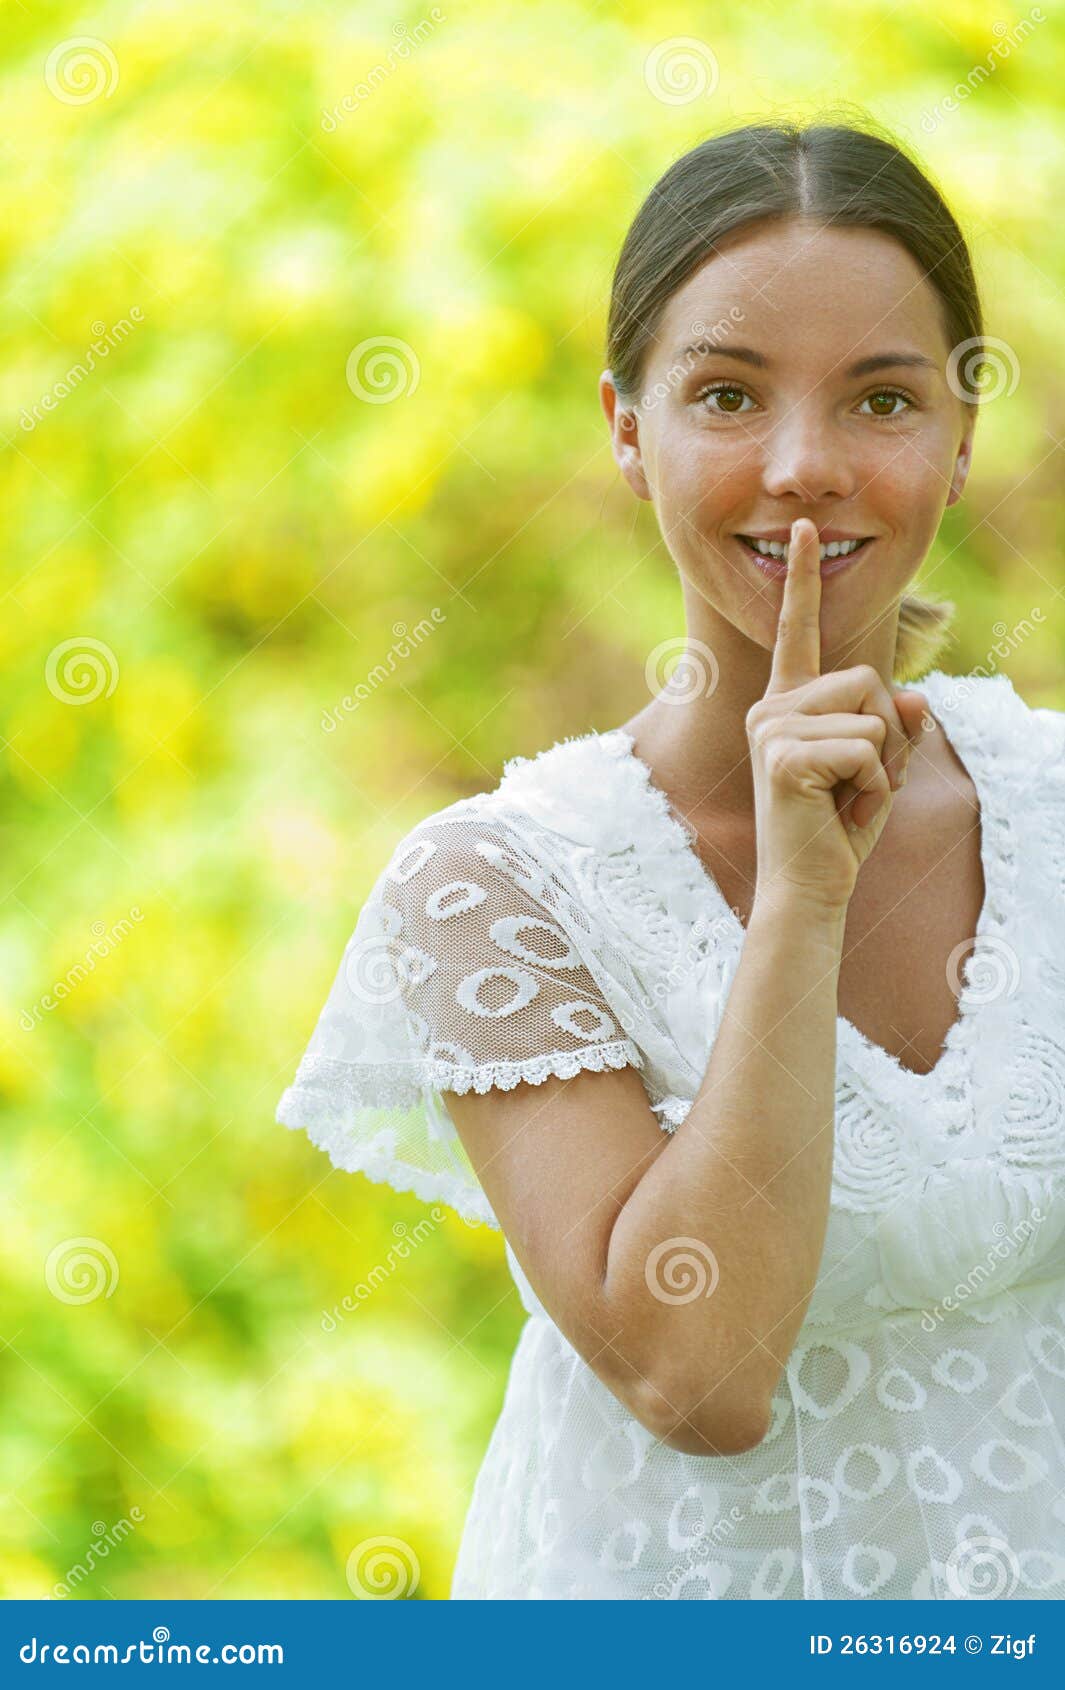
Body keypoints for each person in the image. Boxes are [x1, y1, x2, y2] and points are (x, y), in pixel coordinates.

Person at [276, 119, 1065, 1600]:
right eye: (723, 395)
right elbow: (698, 1376)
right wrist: (800, 901)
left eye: (880, 400)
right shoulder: (496, 888)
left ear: (958, 440)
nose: (801, 468)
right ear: (627, 431)